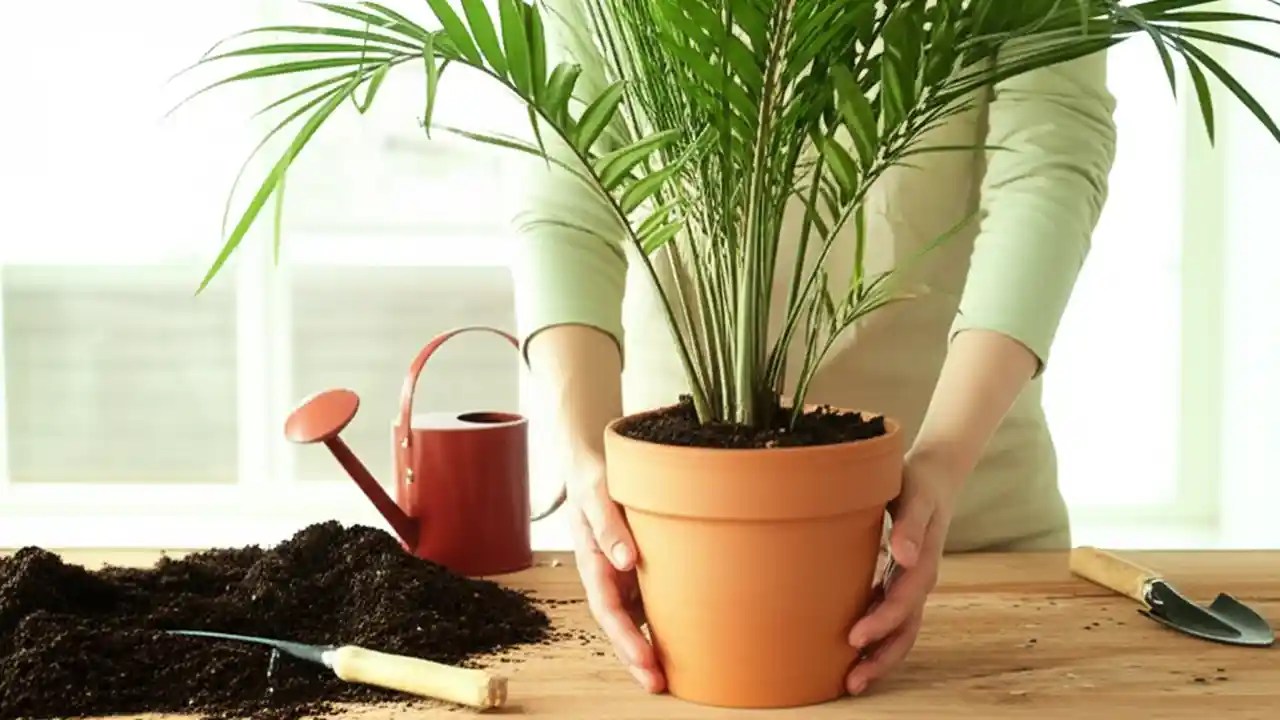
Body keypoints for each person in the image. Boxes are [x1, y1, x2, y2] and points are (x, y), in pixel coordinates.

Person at [509, 1, 1117, 698]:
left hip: (962, 513)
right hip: (675, 528)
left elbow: (1047, 171)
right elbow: (567, 191)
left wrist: (944, 464)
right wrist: (589, 460)